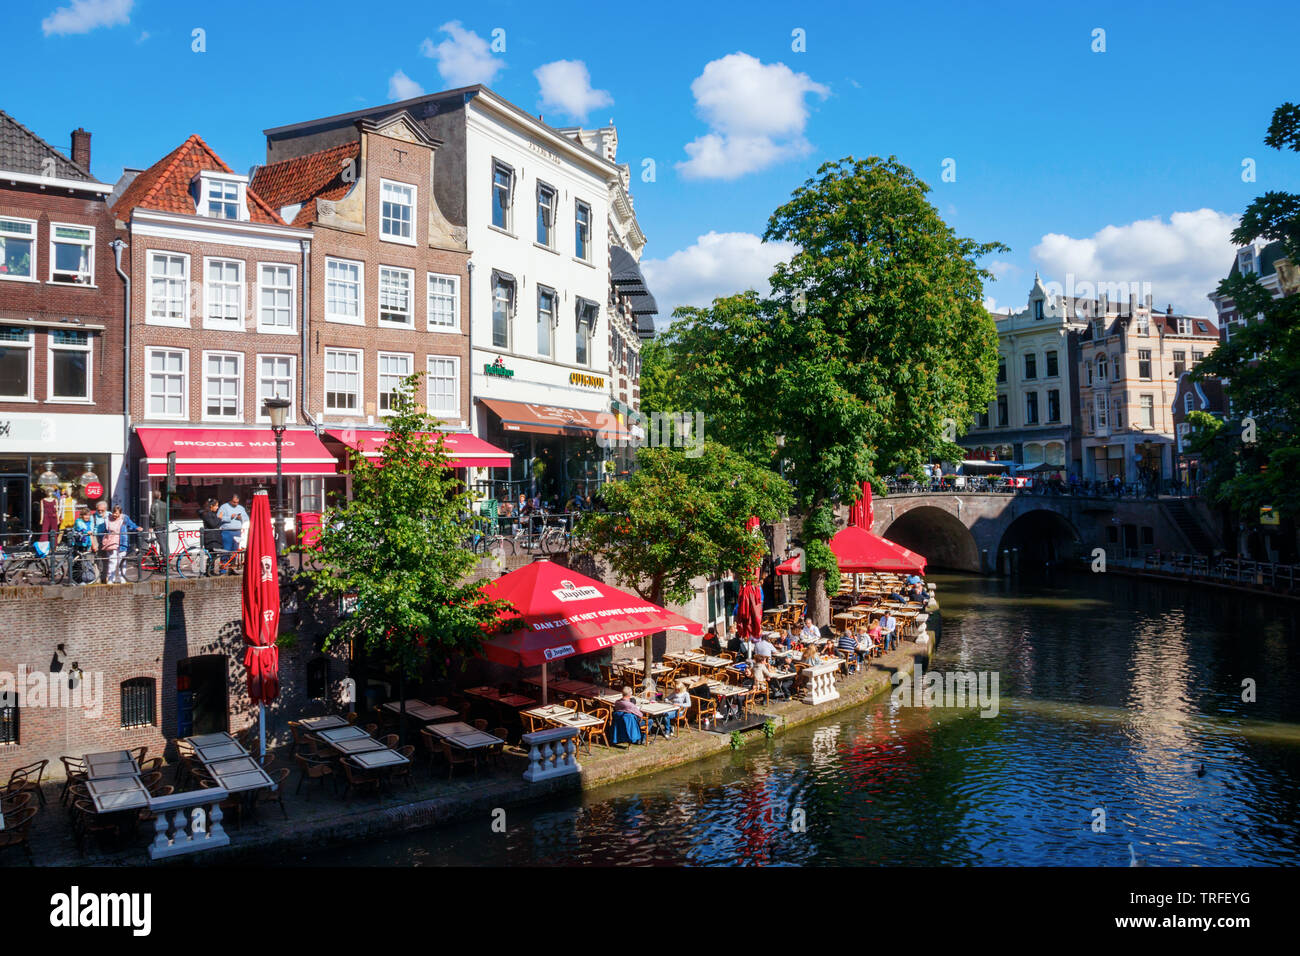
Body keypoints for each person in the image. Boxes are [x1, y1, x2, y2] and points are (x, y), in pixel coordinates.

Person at [102, 505, 139, 584]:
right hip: (111, 542)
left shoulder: (124, 518)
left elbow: (131, 525)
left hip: (122, 541)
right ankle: (111, 579)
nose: (115, 515)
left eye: (117, 514)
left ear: (120, 513)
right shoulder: (107, 519)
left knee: (122, 561)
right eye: (114, 513)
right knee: (112, 561)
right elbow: (104, 529)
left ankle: (122, 578)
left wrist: (137, 528)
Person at [200, 499, 224, 575]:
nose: (217, 507)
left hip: (214, 538)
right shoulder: (207, 514)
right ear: (211, 506)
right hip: (211, 538)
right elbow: (213, 524)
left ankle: (211, 571)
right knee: (212, 555)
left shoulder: (212, 514)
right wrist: (219, 518)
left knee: (213, 555)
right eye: (216, 505)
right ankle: (209, 572)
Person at [149, 491, 170, 560]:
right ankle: (167, 555)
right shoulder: (165, 504)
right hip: (164, 525)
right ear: (160, 496)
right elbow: (167, 515)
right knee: (165, 541)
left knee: (161, 541)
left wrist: (151, 526)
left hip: (157, 526)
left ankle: (165, 558)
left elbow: (152, 517)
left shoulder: (154, 505)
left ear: (153, 496)